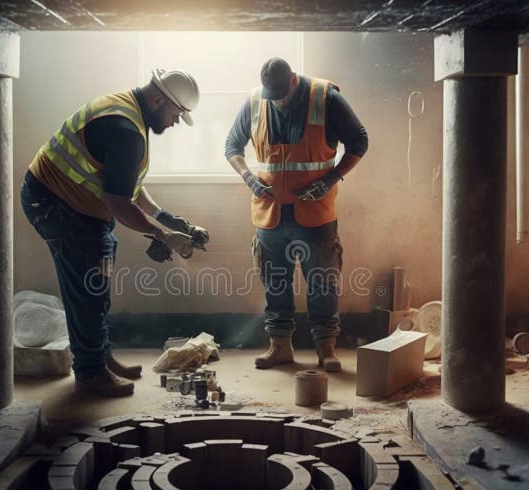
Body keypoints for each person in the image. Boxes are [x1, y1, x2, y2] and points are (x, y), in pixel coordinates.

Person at [21, 69, 209, 397]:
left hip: (76, 204)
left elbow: (128, 184)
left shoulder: (130, 111)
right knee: (87, 287)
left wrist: (169, 220)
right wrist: (163, 236)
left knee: (97, 280)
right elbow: (120, 204)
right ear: (157, 99)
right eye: (176, 114)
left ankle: (100, 357)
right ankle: (91, 373)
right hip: (56, 205)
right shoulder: (126, 130)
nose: (177, 121)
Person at [225, 58, 368, 372]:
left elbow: (359, 140)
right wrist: (248, 177)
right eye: (270, 94)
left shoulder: (326, 98)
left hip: (315, 214)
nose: (275, 99)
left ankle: (326, 349)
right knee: (275, 283)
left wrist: (329, 180)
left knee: (322, 283)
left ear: (293, 81)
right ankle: (280, 347)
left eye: (280, 93)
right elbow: (232, 146)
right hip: (270, 214)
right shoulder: (254, 101)